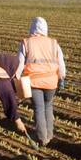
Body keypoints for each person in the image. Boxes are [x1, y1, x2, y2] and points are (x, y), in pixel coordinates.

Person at [13, 17, 66, 147]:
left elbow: (19, 64)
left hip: (34, 81)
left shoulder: (26, 42)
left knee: (39, 108)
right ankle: (49, 134)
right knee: (48, 106)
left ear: (32, 28)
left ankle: (43, 138)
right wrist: (62, 77)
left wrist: (16, 78)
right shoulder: (54, 43)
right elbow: (61, 63)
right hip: (51, 81)